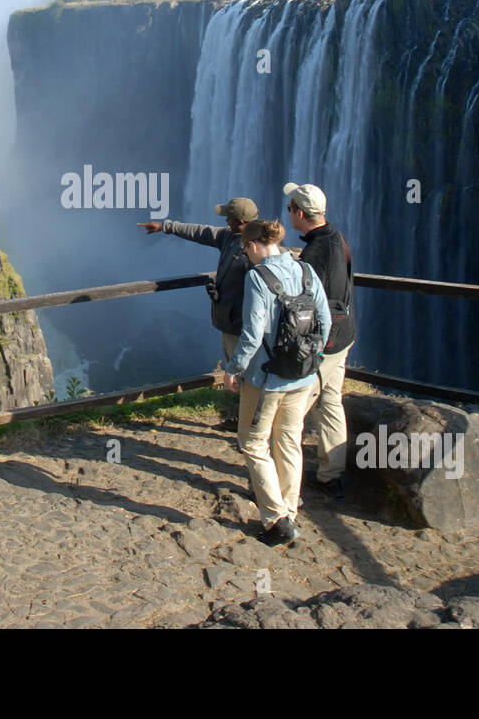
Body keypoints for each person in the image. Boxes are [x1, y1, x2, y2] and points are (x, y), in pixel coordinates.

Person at [222, 218, 332, 545]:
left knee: (253, 443)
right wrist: (311, 359)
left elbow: (253, 334)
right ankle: (290, 509)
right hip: (304, 375)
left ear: (253, 245)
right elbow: (324, 322)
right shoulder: (307, 271)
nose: (247, 256)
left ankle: (275, 519)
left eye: (246, 250)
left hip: (266, 379)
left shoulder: (258, 277)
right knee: (288, 440)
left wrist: (234, 368)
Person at [284, 181, 356, 497]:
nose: (288, 214)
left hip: (323, 344)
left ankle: (285, 487)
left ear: (300, 213)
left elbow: (304, 305)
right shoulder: (337, 239)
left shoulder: (313, 255)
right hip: (345, 336)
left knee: (291, 411)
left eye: (290, 209)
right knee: (329, 403)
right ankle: (331, 474)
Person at [138, 197, 257, 363]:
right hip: (229, 325)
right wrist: (165, 226)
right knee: (235, 373)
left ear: (240, 221)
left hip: (242, 329)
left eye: (228, 218)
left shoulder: (257, 250)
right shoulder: (230, 236)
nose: (226, 220)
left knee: (243, 375)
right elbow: (200, 232)